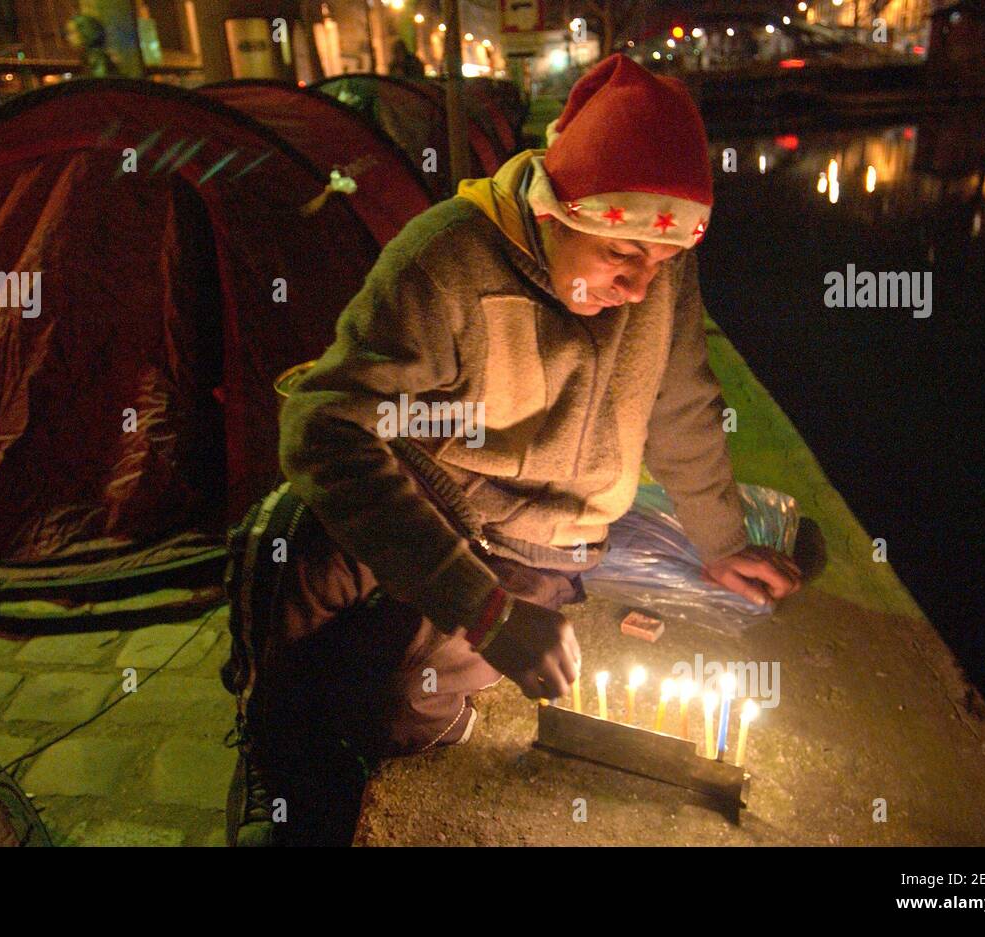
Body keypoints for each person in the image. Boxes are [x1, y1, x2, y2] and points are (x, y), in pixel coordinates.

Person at [221, 54, 801, 846]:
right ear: (557, 211)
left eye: (662, 261)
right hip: (436, 489)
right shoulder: (449, 255)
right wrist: (480, 609)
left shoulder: (663, 275)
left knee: (398, 702)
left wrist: (723, 539)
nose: (641, 286)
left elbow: (683, 402)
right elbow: (325, 424)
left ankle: (369, 714)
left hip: (541, 546)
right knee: (281, 548)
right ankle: (273, 748)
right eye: (622, 256)